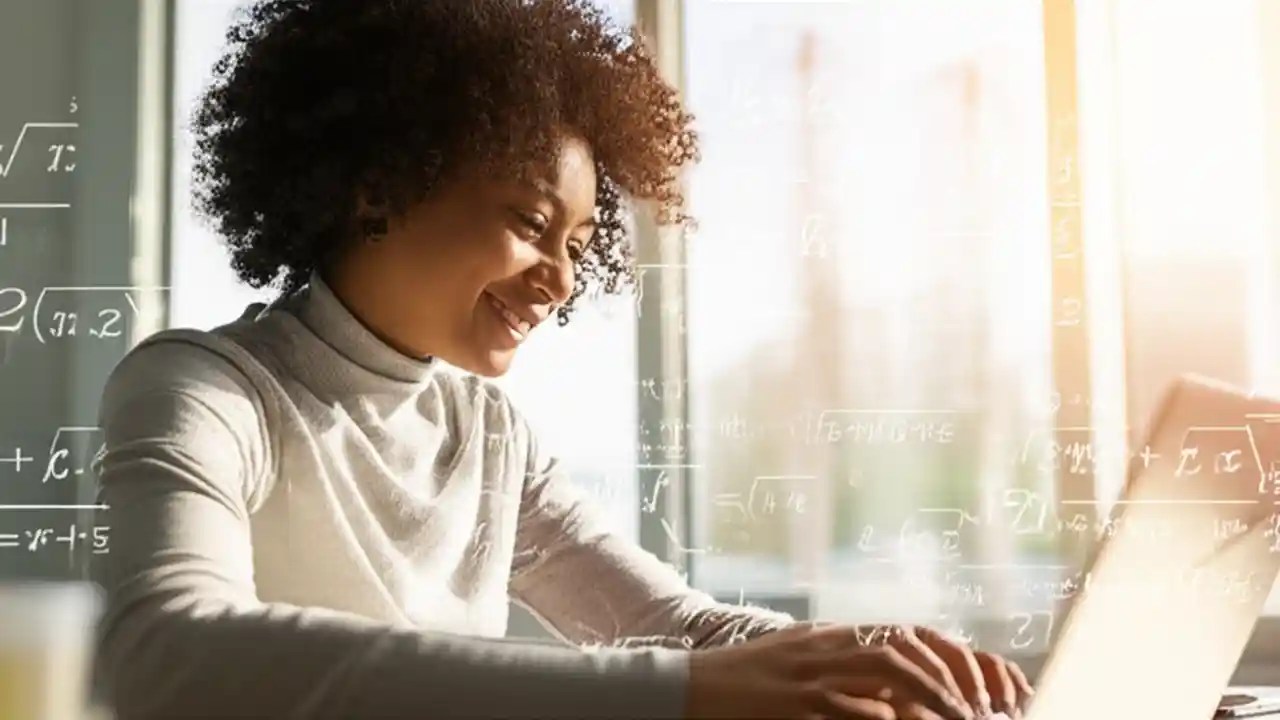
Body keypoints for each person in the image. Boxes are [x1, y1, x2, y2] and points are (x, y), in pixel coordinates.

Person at [89, 0, 1034, 718]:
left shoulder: (490, 435)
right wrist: (686, 691)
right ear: (379, 189)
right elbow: (165, 650)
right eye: (530, 223)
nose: (560, 279)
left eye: (578, 245)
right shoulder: (206, 390)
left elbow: (682, 630)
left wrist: (882, 659)